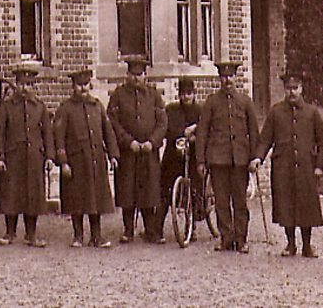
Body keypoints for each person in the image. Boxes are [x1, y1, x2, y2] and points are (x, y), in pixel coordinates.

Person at [255, 72, 323, 258]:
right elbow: (265, 139)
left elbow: (322, 143)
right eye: (288, 89)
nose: (292, 92)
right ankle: (290, 243)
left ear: (301, 89)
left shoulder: (312, 113)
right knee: (285, 205)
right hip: (283, 166)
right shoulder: (275, 112)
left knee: (306, 205)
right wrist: (258, 158)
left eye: (295, 88)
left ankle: (307, 245)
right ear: (284, 90)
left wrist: (319, 166)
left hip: (305, 167)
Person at [195, 61, 258, 253]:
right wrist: (200, 160)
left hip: (240, 159)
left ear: (236, 78)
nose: (227, 80)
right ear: (219, 79)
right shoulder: (212, 102)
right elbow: (203, 131)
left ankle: (241, 239)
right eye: (223, 77)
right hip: (218, 159)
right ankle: (226, 238)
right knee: (221, 201)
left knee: (240, 201)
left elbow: (253, 132)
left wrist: (255, 158)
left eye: (230, 76)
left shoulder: (245, 102)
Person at [54, 69, 119, 248]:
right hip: (76, 162)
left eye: (85, 85)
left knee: (95, 199)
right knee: (76, 199)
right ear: (73, 87)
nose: (83, 89)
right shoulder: (65, 109)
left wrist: (113, 154)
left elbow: (108, 131)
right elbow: (58, 136)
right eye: (79, 85)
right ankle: (78, 236)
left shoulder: (97, 106)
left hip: (96, 160)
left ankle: (97, 236)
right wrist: (63, 161)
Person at [107, 55, 167, 244]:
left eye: (139, 74)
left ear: (145, 75)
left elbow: (162, 122)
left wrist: (153, 141)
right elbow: (113, 122)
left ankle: (151, 230)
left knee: (149, 191)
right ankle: (128, 230)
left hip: (149, 152)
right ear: (127, 75)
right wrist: (127, 141)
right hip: (128, 152)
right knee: (127, 190)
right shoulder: (118, 95)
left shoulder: (154, 95)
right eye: (132, 74)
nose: (136, 78)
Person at [0, 65, 54, 247]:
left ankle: (31, 234)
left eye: (29, 85)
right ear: (16, 85)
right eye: (21, 84)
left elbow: (47, 133)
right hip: (13, 157)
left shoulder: (40, 107)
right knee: (10, 194)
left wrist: (49, 156)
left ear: (33, 86)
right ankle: (9, 232)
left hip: (34, 157)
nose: (24, 88)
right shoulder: (6, 107)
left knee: (32, 196)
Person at [157, 76, 202, 238]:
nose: (186, 97)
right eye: (183, 94)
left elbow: (205, 131)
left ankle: (192, 227)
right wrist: (182, 133)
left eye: (189, 93)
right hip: (173, 156)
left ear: (194, 94)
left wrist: (194, 137)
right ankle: (157, 228)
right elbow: (167, 130)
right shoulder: (171, 110)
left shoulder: (200, 111)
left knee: (195, 187)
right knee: (165, 189)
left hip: (193, 156)